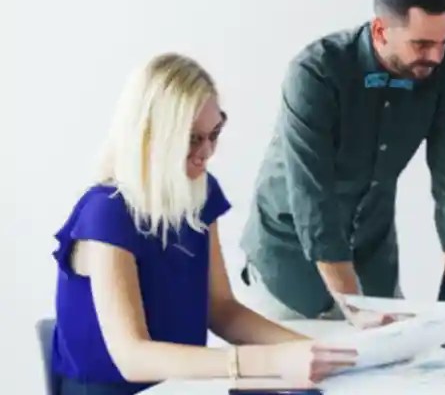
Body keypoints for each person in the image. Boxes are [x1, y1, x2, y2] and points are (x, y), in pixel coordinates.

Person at [50, 54, 356, 395]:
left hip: (179, 386)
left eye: (214, 134)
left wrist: (320, 352)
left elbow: (222, 309)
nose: (207, 151)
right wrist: (271, 361)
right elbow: (132, 357)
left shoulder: (199, 193)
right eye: (192, 138)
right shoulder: (105, 212)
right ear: (151, 137)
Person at [241, 0, 445, 323]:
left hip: (373, 265)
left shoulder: (444, 73)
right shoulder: (316, 73)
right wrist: (355, 309)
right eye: (422, 44)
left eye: (444, 43)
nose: (436, 56)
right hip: (289, 270)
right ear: (381, 30)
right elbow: (313, 198)